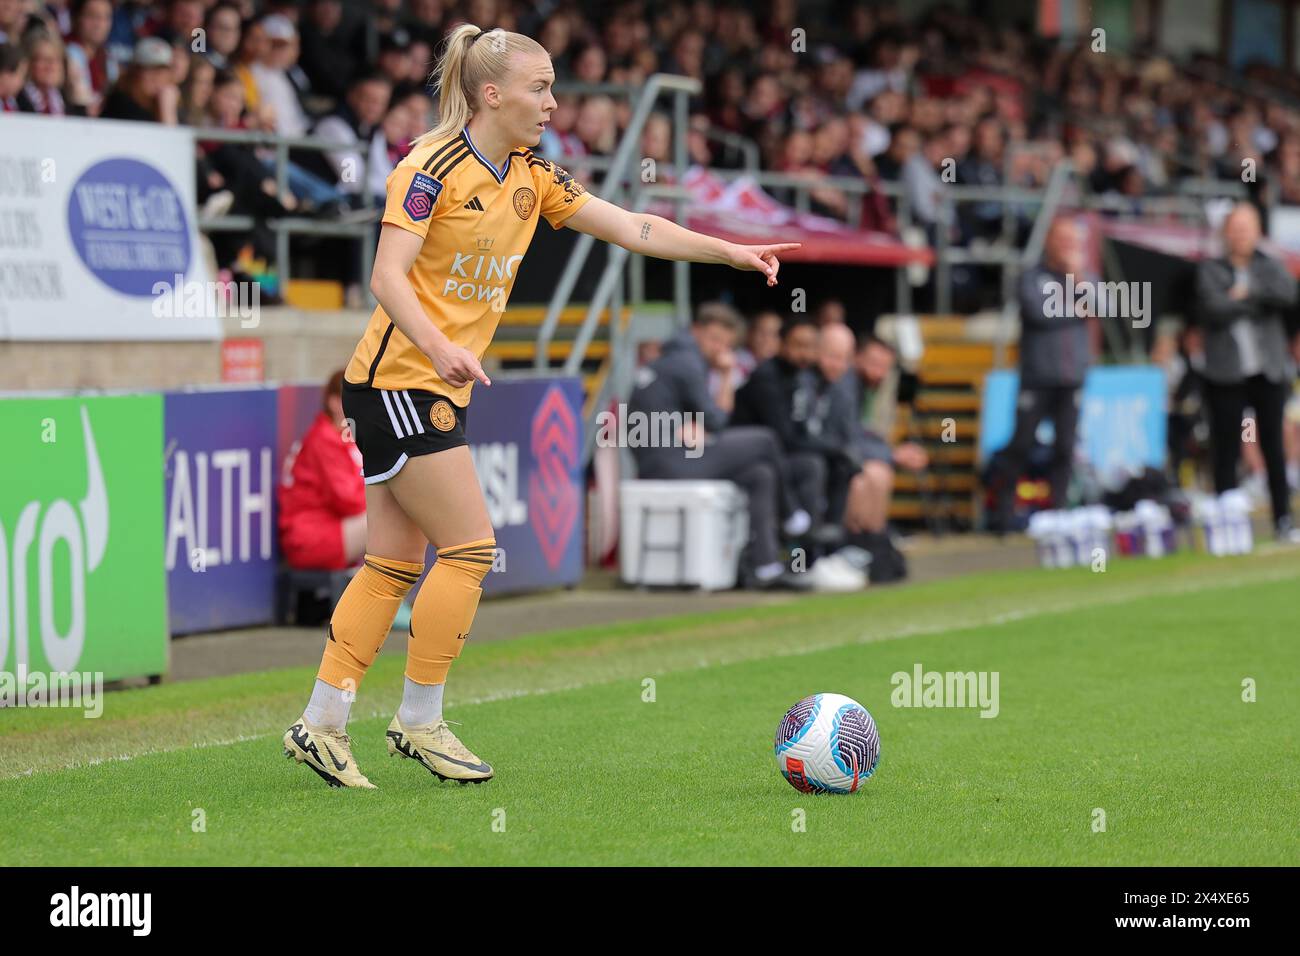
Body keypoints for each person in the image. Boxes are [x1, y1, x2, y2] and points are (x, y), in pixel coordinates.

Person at [282, 23, 800, 789]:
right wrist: (439, 346)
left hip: (422, 384)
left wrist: (727, 249)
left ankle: (323, 725)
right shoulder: (429, 167)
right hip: (400, 381)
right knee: (469, 549)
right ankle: (419, 721)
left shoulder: (533, 176)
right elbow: (386, 277)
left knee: (393, 564)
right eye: (540, 88)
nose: (554, 103)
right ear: (490, 93)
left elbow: (634, 226)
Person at [627, 304, 811, 590]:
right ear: (695, 331)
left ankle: (766, 567)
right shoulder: (688, 362)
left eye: (725, 344)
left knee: (760, 474)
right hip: (670, 460)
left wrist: (690, 423)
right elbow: (718, 420)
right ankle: (790, 516)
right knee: (764, 439)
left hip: (661, 456)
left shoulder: (671, 358)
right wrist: (726, 375)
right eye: (714, 339)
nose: (718, 349)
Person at [1195, 202, 1299, 541]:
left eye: (1246, 228)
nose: (1240, 235)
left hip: (1267, 370)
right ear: (1226, 233)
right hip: (1226, 373)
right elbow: (1214, 307)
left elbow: (1287, 294)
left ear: (1257, 232)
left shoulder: (1270, 266)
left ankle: (1283, 519)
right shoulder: (1210, 269)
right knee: (1226, 446)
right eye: (1235, 229)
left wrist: (1246, 293)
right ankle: (1227, 524)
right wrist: (1256, 301)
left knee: (1273, 445)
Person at [987, 217, 1093, 531]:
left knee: (1065, 447)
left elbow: (1100, 306)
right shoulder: (1031, 276)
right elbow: (1039, 311)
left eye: (1071, 241)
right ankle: (1003, 513)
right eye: (1061, 240)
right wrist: (1077, 306)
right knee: (1020, 445)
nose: (1066, 247)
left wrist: (1076, 279)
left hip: (1071, 376)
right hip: (1037, 377)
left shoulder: (1083, 277)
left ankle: (1058, 514)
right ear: (1049, 241)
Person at [278, 371, 367, 572]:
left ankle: (391, 597)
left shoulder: (345, 436)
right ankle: (391, 598)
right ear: (335, 403)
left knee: (394, 515)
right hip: (311, 539)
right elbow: (349, 502)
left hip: (334, 529)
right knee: (390, 518)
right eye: (356, 400)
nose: (364, 408)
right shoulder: (324, 440)